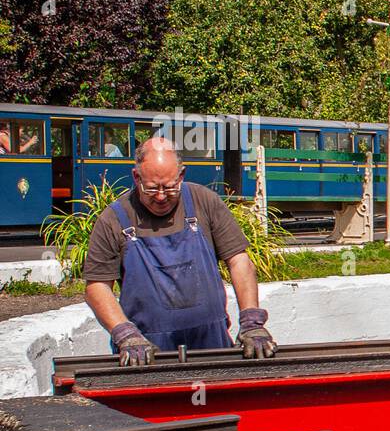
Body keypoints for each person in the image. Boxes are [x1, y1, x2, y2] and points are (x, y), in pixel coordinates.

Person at [83, 136, 277, 365]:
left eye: (171, 187)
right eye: (152, 188)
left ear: (182, 175)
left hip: (212, 346)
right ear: (136, 177)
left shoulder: (205, 202)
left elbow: (238, 261)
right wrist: (125, 334)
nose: (162, 196)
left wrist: (251, 321)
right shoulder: (114, 219)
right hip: (146, 353)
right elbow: (97, 286)